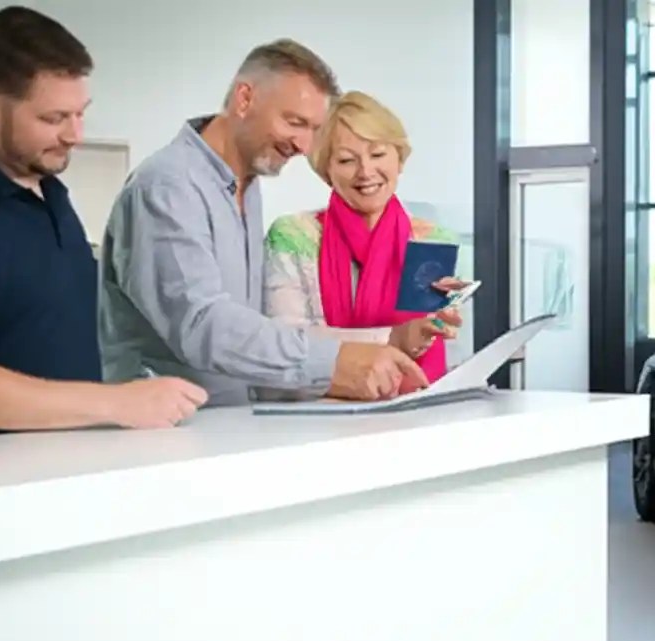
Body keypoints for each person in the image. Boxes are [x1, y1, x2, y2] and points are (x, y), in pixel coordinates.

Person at [0, 6, 207, 443]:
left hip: (61, 474)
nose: (75, 133)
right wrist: (116, 403)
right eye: (54, 118)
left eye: (80, 112)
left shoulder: (50, 191)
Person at [99, 41, 430, 406]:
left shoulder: (245, 185)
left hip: (232, 422)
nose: (304, 145)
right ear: (244, 99)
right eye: (294, 122)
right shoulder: (167, 187)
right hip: (166, 432)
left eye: (313, 129)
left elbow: (250, 325)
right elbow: (201, 325)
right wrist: (335, 362)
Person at [263, 90, 464, 391]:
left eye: (378, 154)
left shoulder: (432, 240)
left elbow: (445, 348)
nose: (366, 172)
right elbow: (284, 344)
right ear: (326, 171)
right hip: (319, 412)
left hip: (419, 411)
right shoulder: (293, 236)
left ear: (400, 160)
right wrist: (393, 337)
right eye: (346, 160)